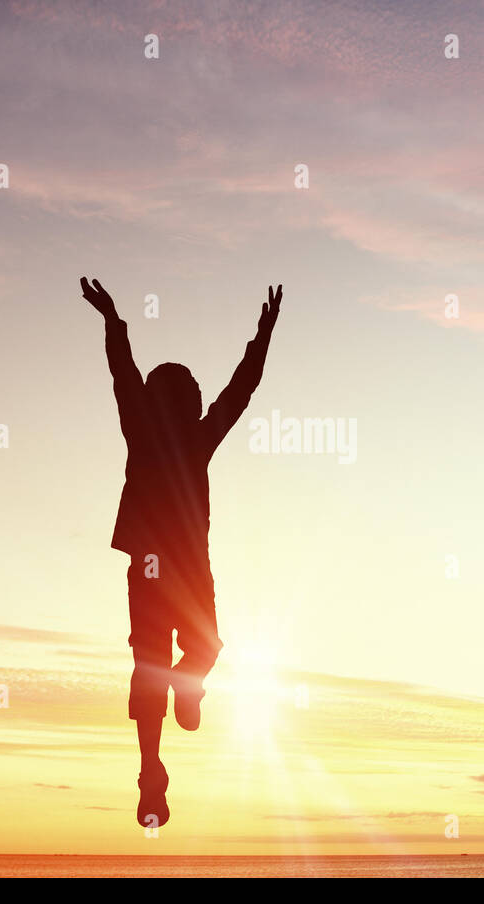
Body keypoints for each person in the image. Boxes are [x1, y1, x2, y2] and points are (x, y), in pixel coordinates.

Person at [80, 276, 283, 827]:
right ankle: (152, 772)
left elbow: (239, 390)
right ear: (174, 402)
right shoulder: (152, 434)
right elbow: (125, 374)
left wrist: (262, 338)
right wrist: (112, 322)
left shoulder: (188, 438)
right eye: (190, 391)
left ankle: (179, 696)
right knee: (161, 665)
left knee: (196, 653)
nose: (197, 397)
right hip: (165, 570)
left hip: (174, 570)